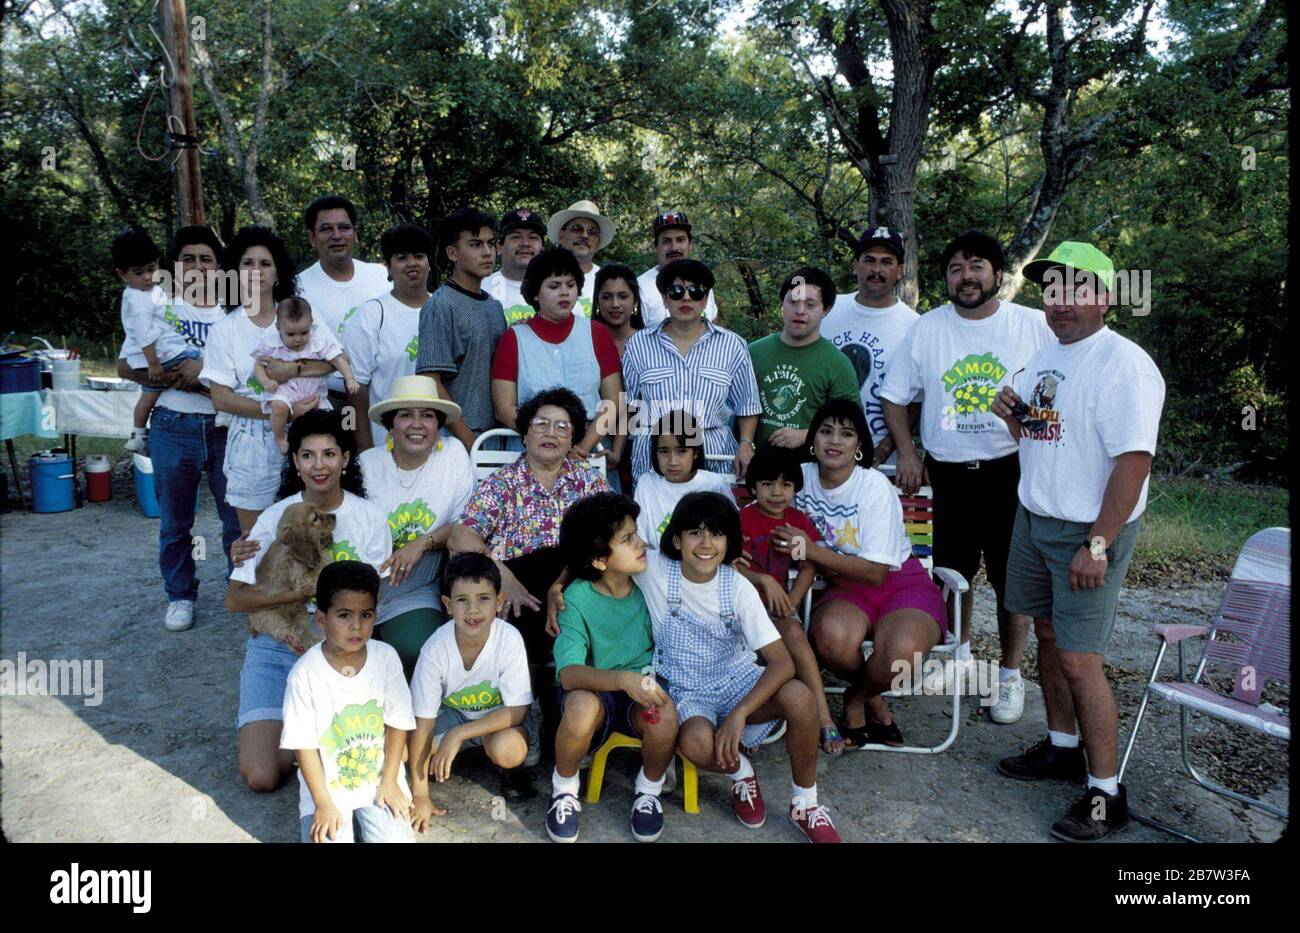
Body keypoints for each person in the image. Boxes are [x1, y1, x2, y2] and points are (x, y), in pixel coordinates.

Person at [991, 242, 1165, 841]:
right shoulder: (1045, 357)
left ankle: (1106, 793)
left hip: (1088, 528)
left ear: (1105, 298)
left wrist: (1098, 543)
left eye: (1077, 289)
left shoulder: (1125, 363)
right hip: (1035, 514)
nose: (1062, 302)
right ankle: (1063, 747)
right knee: (1044, 631)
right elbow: (1042, 436)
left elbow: (1134, 462)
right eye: (1053, 290)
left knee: (1079, 659)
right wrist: (1011, 414)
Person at [880, 230, 1054, 723]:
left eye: (976, 266)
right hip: (948, 471)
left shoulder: (1034, 325)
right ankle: (958, 658)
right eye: (955, 268)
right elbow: (895, 396)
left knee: (1011, 581)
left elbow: (1059, 391)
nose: (966, 276)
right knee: (953, 573)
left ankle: (1010, 676)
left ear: (999, 274)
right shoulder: (928, 328)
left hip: (1011, 470)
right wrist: (909, 454)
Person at [636, 492, 841, 842]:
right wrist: (559, 588)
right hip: (689, 690)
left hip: (737, 681)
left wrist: (740, 714)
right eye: (695, 533)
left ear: (730, 543)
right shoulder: (653, 569)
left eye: (716, 534)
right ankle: (741, 773)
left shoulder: (738, 588)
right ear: (675, 539)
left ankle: (805, 804)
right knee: (698, 744)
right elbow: (602, 549)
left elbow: (782, 662)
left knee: (800, 696)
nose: (705, 543)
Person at [226, 409, 392, 794]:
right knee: (261, 775)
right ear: (296, 462)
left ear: (345, 459)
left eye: (330, 454)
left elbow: (372, 603)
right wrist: (302, 593)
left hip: (337, 648)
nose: (320, 466)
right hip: (275, 647)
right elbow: (235, 599)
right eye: (308, 455)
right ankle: (301, 735)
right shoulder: (273, 519)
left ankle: (307, 733)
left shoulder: (368, 518)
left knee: (356, 760)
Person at [448, 387, 609, 752]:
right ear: (525, 434)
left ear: (572, 439)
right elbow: (461, 535)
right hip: (518, 585)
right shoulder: (504, 484)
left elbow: (612, 538)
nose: (551, 434)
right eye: (542, 425)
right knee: (515, 604)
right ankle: (536, 711)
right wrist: (503, 574)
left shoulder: (588, 482)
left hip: (573, 583)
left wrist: (562, 584)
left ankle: (573, 717)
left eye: (562, 428)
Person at [794, 400, 947, 750]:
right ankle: (874, 699)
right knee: (832, 638)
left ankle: (856, 698)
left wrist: (814, 551)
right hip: (844, 587)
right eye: (826, 431)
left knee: (902, 653)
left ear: (859, 445)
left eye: (846, 434)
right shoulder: (797, 479)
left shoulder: (873, 486)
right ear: (813, 439)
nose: (835, 441)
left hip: (897, 582)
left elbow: (877, 572)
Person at [115, 225, 241, 632]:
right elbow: (124, 365)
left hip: (225, 428)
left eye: (206, 258)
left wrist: (202, 372)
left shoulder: (233, 314)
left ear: (218, 265)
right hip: (173, 423)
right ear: (175, 265)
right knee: (175, 521)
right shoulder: (157, 305)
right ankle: (181, 595)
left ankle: (238, 587)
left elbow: (245, 378)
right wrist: (174, 377)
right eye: (188, 258)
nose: (197, 266)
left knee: (236, 518)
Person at [546, 493, 678, 843]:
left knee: (663, 711)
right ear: (601, 560)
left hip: (645, 681)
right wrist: (621, 680)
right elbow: (570, 673)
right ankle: (564, 790)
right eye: (628, 539)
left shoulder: (648, 581)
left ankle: (649, 791)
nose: (642, 543)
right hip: (598, 689)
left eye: (636, 534)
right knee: (580, 706)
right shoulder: (575, 598)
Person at [201, 226, 327, 532]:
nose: (256, 271)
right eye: (247, 263)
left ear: (278, 273)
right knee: (255, 536)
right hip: (252, 439)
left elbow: (329, 364)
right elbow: (221, 397)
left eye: (265, 263)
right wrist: (278, 410)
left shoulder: (301, 317)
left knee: (312, 530)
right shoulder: (224, 329)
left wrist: (292, 370)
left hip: (310, 430)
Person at [280, 560, 415, 843]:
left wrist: (390, 780)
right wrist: (323, 803)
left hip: (378, 778)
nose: (356, 626)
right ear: (320, 619)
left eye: (366, 614)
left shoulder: (386, 657)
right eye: (344, 615)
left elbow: (398, 722)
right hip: (327, 788)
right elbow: (303, 746)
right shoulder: (304, 674)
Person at [734, 445, 845, 756]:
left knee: (795, 634)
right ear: (753, 486)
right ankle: (750, 721)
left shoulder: (796, 522)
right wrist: (763, 580)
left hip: (777, 609)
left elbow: (810, 562)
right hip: (742, 609)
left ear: (795, 488)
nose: (776, 492)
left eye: (785, 485)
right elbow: (731, 564)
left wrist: (794, 598)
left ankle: (823, 716)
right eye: (767, 484)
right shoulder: (743, 519)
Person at [359, 376, 473, 677]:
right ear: (389, 424)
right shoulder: (367, 464)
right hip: (367, 581)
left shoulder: (453, 455)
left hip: (418, 583)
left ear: (438, 424)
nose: (417, 424)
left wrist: (421, 542)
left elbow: (466, 526)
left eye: (427, 415)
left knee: (419, 651)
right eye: (406, 415)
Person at [409, 553, 535, 820]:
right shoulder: (435, 649)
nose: (473, 610)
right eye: (462, 600)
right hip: (453, 714)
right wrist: (420, 796)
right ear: (448, 605)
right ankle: (446, 759)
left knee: (508, 750)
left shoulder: (508, 639)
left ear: (499, 601)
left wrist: (459, 735)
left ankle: (510, 770)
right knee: (408, 751)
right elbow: (423, 722)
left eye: (484, 598)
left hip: (499, 718)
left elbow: (517, 711)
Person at [623, 258, 761, 482]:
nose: (686, 297)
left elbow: (747, 405)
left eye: (696, 291)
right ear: (665, 299)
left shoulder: (733, 345)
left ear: (706, 299)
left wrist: (745, 444)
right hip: (655, 460)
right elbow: (626, 405)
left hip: (714, 457)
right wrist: (619, 451)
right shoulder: (638, 345)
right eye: (676, 291)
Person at [490, 245, 624, 466]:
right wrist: (546, 439)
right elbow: (504, 409)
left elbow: (613, 402)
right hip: (529, 451)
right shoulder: (513, 338)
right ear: (535, 292)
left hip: (589, 450)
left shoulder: (597, 333)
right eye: (554, 286)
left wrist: (581, 447)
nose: (564, 292)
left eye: (570, 285)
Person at [821, 226, 920, 466]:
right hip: (823, 451)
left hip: (883, 459)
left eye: (887, 262)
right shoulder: (827, 311)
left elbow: (917, 402)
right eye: (869, 260)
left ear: (900, 271)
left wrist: (884, 449)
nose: (877, 270)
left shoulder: (915, 326)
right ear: (855, 265)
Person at [415, 208, 504, 452]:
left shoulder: (494, 306)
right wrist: (468, 440)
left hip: (497, 437)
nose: (487, 252)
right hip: (455, 440)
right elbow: (430, 380)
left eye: (490, 243)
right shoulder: (440, 305)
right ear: (452, 252)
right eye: (475, 244)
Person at [345, 222, 435, 450]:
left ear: (429, 262)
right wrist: (365, 450)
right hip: (384, 444)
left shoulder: (445, 309)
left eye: (419, 255)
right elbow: (356, 390)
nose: (412, 263)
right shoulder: (372, 314)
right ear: (388, 266)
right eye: (402, 257)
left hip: (438, 443)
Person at [748, 266, 859, 450]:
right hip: (757, 470)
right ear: (781, 303)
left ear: (826, 309)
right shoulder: (753, 352)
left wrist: (807, 435)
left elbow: (852, 425)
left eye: (810, 304)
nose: (800, 311)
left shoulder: (837, 364)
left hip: (812, 470)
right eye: (793, 302)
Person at [112, 228, 201, 455]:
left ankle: (138, 434)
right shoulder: (140, 298)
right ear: (122, 274)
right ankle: (224, 406)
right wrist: (153, 364)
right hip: (161, 355)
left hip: (151, 356)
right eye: (138, 272)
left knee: (149, 393)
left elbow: (165, 314)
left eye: (151, 270)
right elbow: (144, 334)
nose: (147, 277)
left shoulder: (149, 292)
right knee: (198, 362)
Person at [295, 194, 390, 400]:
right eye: (326, 229)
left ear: (355, 234)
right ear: (313, 238)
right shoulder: (298, 288)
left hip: (385, 395)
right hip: (329, 399)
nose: (336, 235)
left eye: (344, 227)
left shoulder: (381, 276)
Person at [251, 296, 360, 455]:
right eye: (290, 334)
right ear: (278, 328)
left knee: (326, 426)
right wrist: (266, 382)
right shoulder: (270, 343)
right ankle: (280, 438)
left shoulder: (318, 342)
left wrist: (349, 378)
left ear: (311, 325)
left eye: (304, 332)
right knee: (278, 407)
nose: (298, 339)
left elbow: (339, 359)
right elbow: (258, 365)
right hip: (285, 391)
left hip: (314, 395)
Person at [633, 409, 735, 550]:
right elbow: (640, 537)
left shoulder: (715, 484)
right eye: (664, 451)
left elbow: (730, 533)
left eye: (682, 451)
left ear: (695, 452)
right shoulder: (647, 483)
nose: (672, 461)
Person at [636, 210, 719, 328]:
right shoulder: (640, 288)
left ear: (690, 244)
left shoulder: (701, 279)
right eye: (666, 241)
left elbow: (713, 321)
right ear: (656, 246)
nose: (674, 248)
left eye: (680, 240)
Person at [548, 199, 615, 316]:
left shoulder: (608, 280)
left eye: (592, 231)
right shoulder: (543, 277)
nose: (584, 235)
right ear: (561, 235)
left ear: (598, 242)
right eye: (577, 228)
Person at [483, 208, 547, 326]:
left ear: (543, 247)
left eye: (533, 238)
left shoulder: (559, 289)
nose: (525, 243)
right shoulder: (481, 291)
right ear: (499, 247)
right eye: (516, 237)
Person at [592, 263, 645, 357]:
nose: (615, 304)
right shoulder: (587, 344)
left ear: (635, 302)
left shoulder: (649, 343)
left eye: (623, 297)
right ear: (597, 302)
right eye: (607, 297)